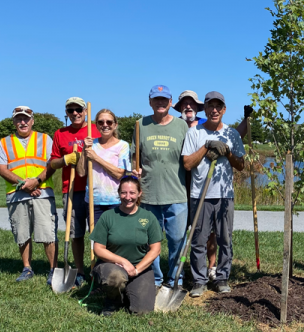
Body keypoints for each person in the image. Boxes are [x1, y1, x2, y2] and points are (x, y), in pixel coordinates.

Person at [174, 90, 253, 282]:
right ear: (206, 109)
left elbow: (241, 165)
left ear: (224, 110)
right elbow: (187, 164)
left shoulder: (232, 134)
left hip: (225, 195)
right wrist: (206, 147)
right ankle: (199, 281)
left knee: (225, 240)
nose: (214, 110)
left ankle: (222, 278)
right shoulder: (194, 133)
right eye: (211, 106)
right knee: (199, 241)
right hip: (199, 194)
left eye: (218, 106)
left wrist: (228, 153)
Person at [131, 85, 189, 289]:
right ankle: (154, 279)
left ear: (171, 102)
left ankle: (175, 279)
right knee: (150, 241)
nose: (160, 103)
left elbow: (188, 158)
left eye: (164, 99)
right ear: (150, 102)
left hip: (177, 193)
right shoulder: (140, 124)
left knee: (177, 240)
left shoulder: (182, 126)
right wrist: (135, 170)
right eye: (156, 99)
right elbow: (134, 156)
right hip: (148, 194)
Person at [0, 106, 58, 283]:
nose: (23, 122)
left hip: (42, 192)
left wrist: (36, 181)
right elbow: (1, 169)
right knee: (21, 233)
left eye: (26, 119)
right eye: (19, 119)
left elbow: (52, 164)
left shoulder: (45, 138)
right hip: (16, 193)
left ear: (32, 121)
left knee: (48, 232)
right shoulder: (5, 142)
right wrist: (24, 184)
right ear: (14, 121)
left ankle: (53, 269)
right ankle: (27, 268)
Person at [90, 176, 162, 316]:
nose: (128, 197)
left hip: (140, 268)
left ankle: (126, 293)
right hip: (111, 265)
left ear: (139, 193)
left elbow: (156, 249)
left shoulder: (148, 217)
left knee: (143, 311)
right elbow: (98, 249)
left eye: (132, 193)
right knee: (115, 276)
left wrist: (136, 270)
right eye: (123, 193)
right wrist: (123, 261)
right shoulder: (108, 216)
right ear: (118, 193)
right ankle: (113, 300)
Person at [48, 97, 100, 287]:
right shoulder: (60, 133)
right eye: (71, 110)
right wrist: (65, 159)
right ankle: (79, 271)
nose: (75, 113)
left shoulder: (96, 129)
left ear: (85, 111)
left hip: (96, 189)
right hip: (71, 189)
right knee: (76, 233)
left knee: (98, 232)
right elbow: (53, 163)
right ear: (67, 113)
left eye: (79, 109)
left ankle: (98, 268)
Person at [78, 109, 131, 224]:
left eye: (109, 122)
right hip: (94, 200)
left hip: (116, 200)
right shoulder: (91, 145)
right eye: (101, 122)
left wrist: (96, 158)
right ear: (97, 125)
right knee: (97, 235)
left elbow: (119, 174)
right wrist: (84, 150)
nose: (105, 125)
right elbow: (81, 173)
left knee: (116, 234)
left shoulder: (123, 146)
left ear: (115, 125)